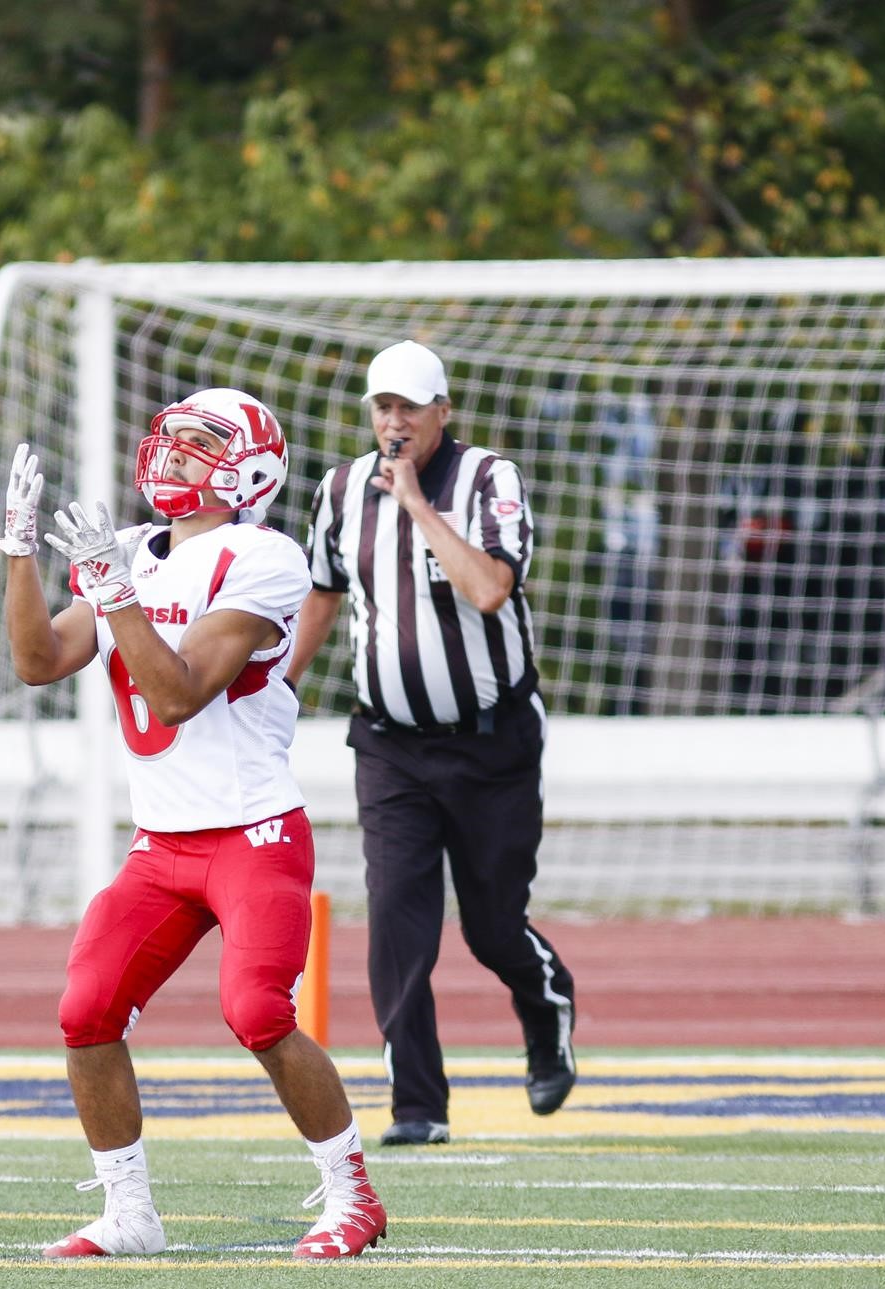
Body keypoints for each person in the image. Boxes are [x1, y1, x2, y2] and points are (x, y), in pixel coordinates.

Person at [0, 387, 387, 1259]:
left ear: (246, 471)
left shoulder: (264, 557)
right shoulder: (131, 549)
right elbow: (38, 659)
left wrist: (117, 591)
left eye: (197, 443)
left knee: (256, 1009)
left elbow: (174, 694)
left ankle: (351, 1193)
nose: (170, 456)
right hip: (162, 842)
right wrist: (19, 554)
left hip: (252, 833)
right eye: (168, 439)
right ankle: (129, 1210)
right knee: (86, 1007)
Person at [288, 340, 577, 1147]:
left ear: (442, 413)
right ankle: (417, 1104)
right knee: (397, 924)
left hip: (492, 746)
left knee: (491, 925)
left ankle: (546, 1010)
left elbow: (489, 588)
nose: (394, 421)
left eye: (409, 407)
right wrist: (276, 688)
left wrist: (414, 502)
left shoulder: (489, 479)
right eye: (383, 406)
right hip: (391, 746)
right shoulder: (340, 489)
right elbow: (322, 595)